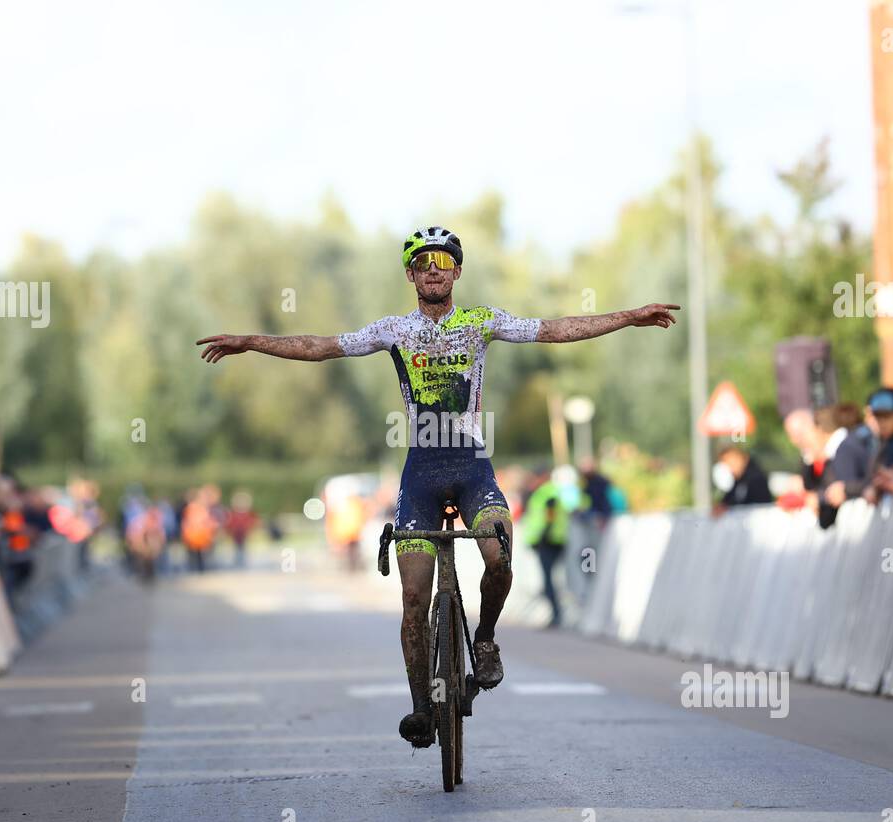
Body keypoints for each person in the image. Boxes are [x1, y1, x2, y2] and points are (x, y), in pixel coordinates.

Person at [196, 225, 679, 748]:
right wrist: (252, 342)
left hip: (472, 467)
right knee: (411, 596)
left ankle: (487, 639)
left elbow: (556, 328)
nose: (433, 269)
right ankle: (421, 708)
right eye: (423, 262)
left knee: (499, 553)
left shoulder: (481, 322)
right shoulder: (394, 330)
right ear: (410, 273)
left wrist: (627, 318)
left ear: (457, 272)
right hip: (420, 474)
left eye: (443, 262)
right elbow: (322, 346)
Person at [520, 468, 572, 628]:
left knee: (548, 580)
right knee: (550, 579)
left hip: (549, 541)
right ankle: (556, 612)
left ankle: (556, 614)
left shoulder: (547, 493)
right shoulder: (548, 492)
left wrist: (544, 535)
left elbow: (550, 515)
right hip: (552, 540)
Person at [713, 445, 773, 512]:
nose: (729, 467)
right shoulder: (737, 481)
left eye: (729, 461)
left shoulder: (755, 478)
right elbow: (729, 499)